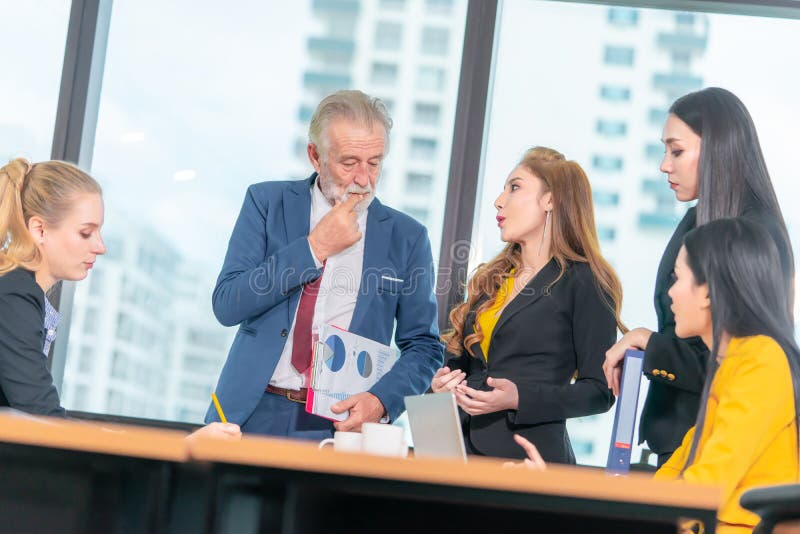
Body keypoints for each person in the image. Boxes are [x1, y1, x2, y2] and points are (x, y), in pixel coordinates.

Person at [518, 218, 800, 534]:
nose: (670, 294)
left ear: (708, 292)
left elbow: (708, 485)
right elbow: (679, 467)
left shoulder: (760, 361)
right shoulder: (735, 364)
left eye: (677, 279)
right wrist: (573, 499)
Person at [205, 90, 442, 438]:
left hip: (339, 424)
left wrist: (381, 400)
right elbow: (227, 304)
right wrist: (314, 248)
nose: (363, 178)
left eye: (374, 162)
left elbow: (424, 346)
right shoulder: (266, 203)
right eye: (349, 162)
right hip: (249, 413)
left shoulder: (408, 238)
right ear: (315, 156)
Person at [602, 87, 795, 466]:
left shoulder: (755, 235)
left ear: (718, 150)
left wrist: (651, 344)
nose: (664, 165)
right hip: (681, 441)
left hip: (720, 444)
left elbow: (738, 360)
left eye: (676, 151)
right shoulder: (697, 219)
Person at [0, 158, 239, 441]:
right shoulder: (15, 295)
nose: (100, 247)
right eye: (86, 233)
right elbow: (43, 416)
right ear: (40, 230)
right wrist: (186, 444)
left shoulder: (18, 292)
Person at [431, 147, 623, 462]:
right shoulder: (493, 279)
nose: (499, 200)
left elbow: (598, 392)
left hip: (530, 460)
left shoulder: (585, 281)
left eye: (515, 187)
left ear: (551, 199)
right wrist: (443, 384)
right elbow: (461, 365)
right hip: (458, 452)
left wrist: (520, 398)